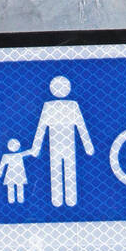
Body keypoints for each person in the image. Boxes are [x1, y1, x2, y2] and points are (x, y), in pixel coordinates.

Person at [29, 75, 94, 208]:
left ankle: (67, 199)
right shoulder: (51, 106)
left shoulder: (72, 106)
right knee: (59, 169)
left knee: (65, 169)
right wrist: (36, 147)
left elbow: (81, 126)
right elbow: (41, 127)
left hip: (67, 143)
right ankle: (60, 200)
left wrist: (88, 145)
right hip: (58, 144)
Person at [0, 138, 31, 204]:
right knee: (13, 186)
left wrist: (0, 173)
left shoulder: (15, 155)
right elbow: (2, 165)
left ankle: (18, 200)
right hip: (13, 174)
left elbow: (2, 165)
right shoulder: (8, 156)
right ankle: (14, 200)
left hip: (15, 173)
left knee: (16, 186)